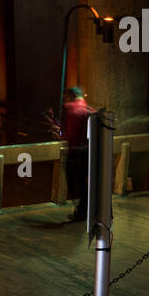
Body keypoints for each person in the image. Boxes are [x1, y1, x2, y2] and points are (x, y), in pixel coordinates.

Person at [61, 87, 93, 222]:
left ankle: (80, 209)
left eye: (66, 96)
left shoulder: (67, 108)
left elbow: (65, 131)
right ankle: (83, 210)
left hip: (74, 151)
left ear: (71, 96)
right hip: (88, 151)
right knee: (85, 182)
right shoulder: (91, 110)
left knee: (73, 181)